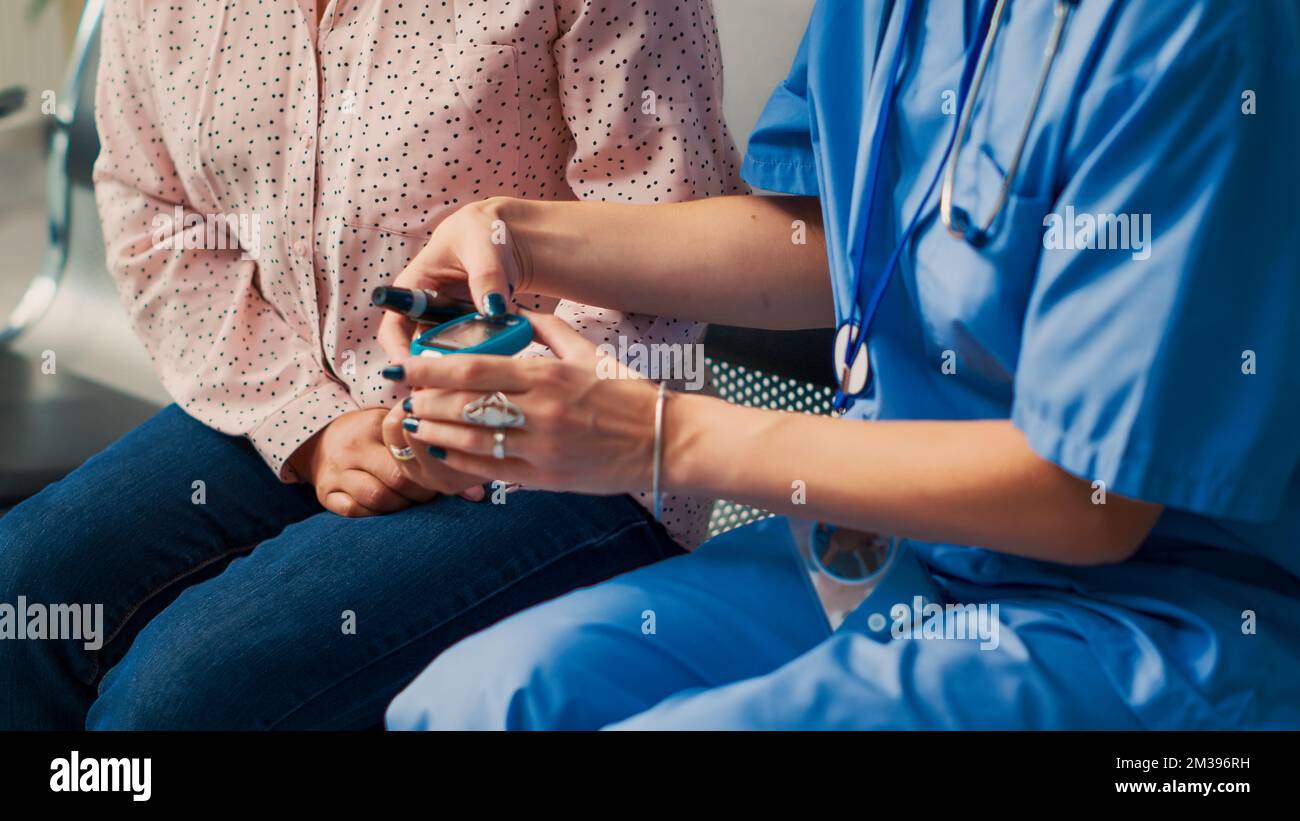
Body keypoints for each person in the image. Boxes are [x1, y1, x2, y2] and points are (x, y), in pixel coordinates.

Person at [382, 0, 1300, 729]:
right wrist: (524, 233)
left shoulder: (1199, 26)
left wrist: (654, 434)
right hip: (888, 539)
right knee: (477, 704)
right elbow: (826, 236)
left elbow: (1086, 500)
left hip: (1154, 615)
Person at [0, 0, 743, 729]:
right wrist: (315, 425)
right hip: (298, 391)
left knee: (185, 694)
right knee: (20, 594)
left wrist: (463, 422)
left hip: (561, 443)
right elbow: (152, 206)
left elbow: (668, 232)